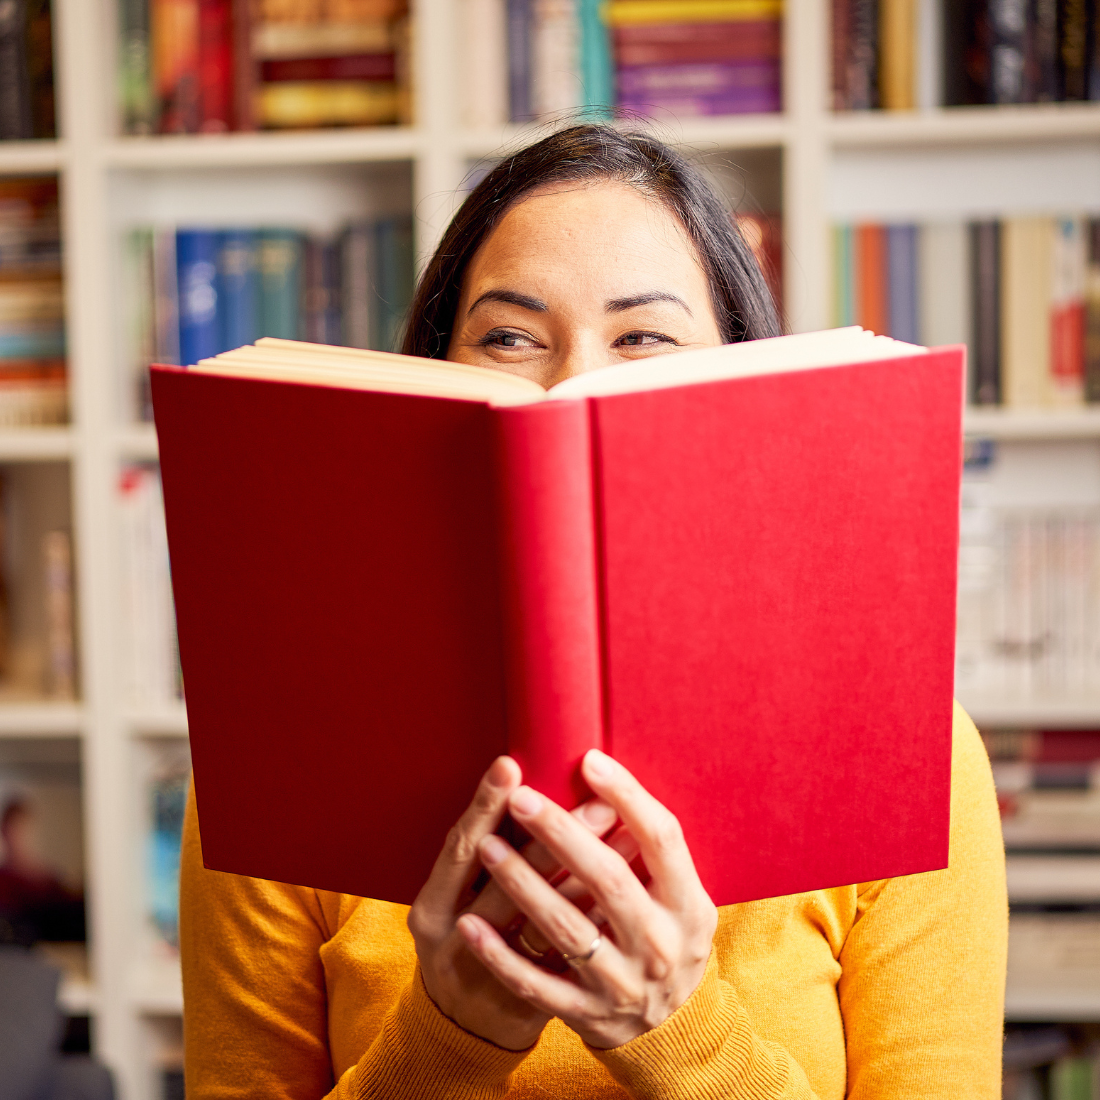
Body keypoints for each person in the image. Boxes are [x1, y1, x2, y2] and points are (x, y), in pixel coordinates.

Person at [180, 125, 1007, 1099]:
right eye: (508, 336)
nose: (572, 386)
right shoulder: (281, 766)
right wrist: (450, 1036)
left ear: (740, 379)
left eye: (643, 337)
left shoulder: (912, 758)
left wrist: (673, 1028)